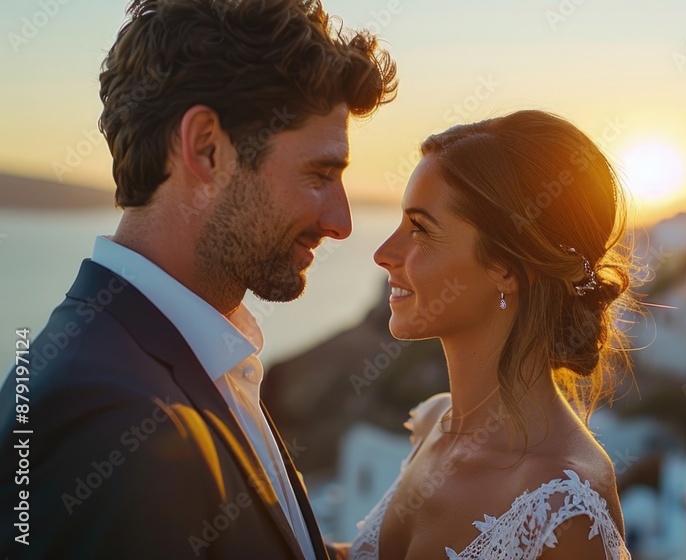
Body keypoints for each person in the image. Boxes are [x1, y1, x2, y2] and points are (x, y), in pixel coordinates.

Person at [0, 1, 395, 558]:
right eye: (319, 174)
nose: (341, 222)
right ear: (206, 148)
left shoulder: (194, 359)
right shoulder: (106, 414)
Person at [353, 110, 634, 559]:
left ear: (505, 268)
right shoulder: (434, 424)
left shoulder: (565, 511)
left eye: (420, 229)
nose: (384, 253)